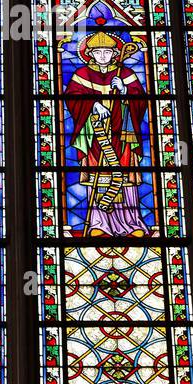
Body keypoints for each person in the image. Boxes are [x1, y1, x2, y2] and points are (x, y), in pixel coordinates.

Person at [64, 29, 147, 236]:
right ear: (90, 54)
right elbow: (72, 99)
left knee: (124, 176)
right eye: (98, 52)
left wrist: (125, 91)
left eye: (107, 52)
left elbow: (141, 101)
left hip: (122, 133)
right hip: (95, 135)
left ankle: (131, 223)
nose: (103, 56)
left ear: (114, 53)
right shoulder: (81, 75)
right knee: (98, 176)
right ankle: (99, 224)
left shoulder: (126, 75)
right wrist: (92, 105)